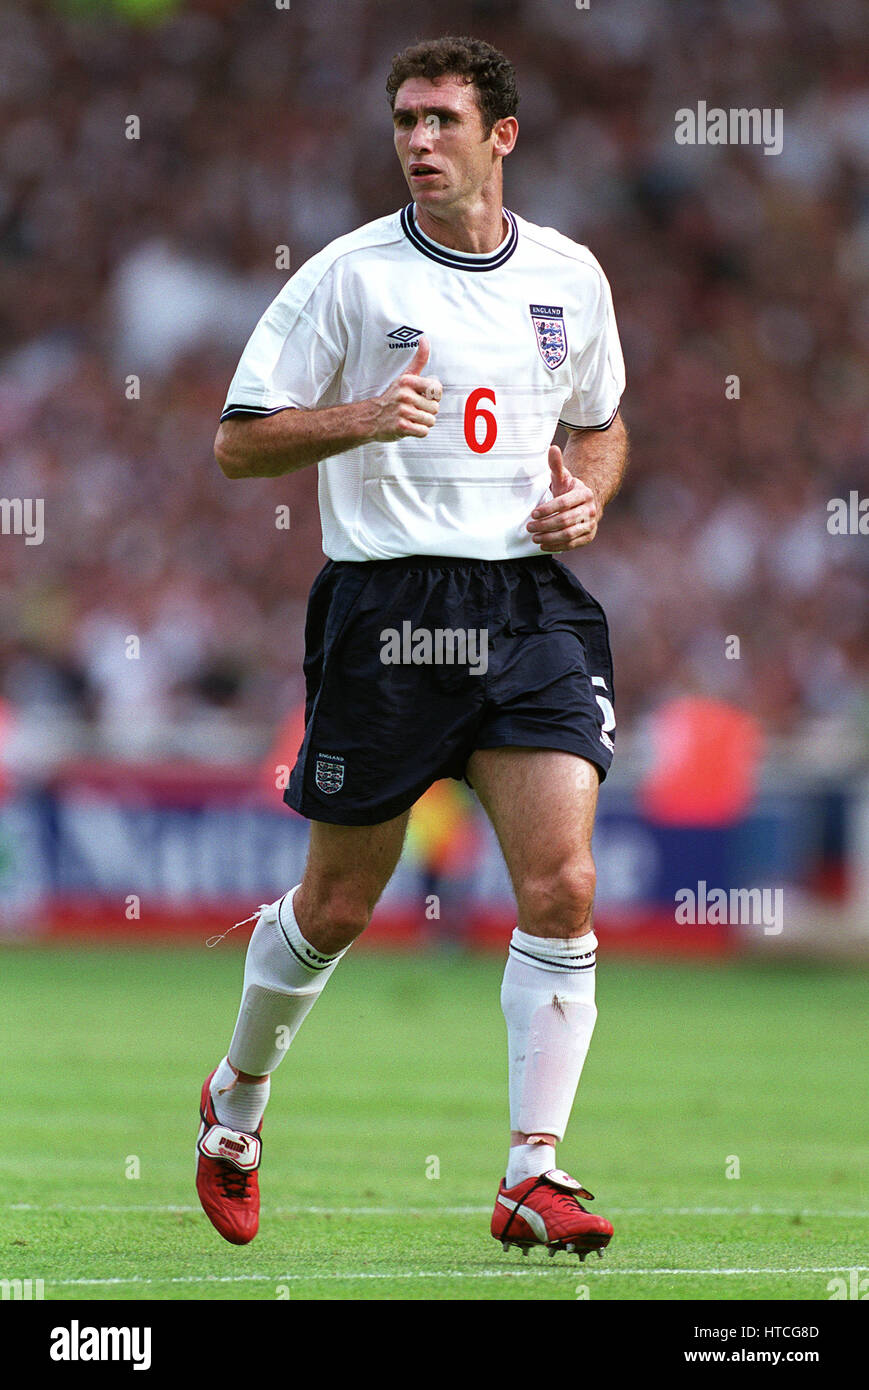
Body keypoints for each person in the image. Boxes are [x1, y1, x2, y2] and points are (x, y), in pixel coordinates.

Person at [196, 35, 628, 1262]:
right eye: (402, 120)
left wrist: (585, 499)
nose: (417, 140)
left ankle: (529, 1174)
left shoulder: (567, 276)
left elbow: (599, 429)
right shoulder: (346, 278)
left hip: (530, 609)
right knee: (338, 903)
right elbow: (237, 443)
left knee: (564, 882)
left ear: (500, 135)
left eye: (441, 118)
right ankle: (234, 1108)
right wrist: (361, 416)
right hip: (387, 610)